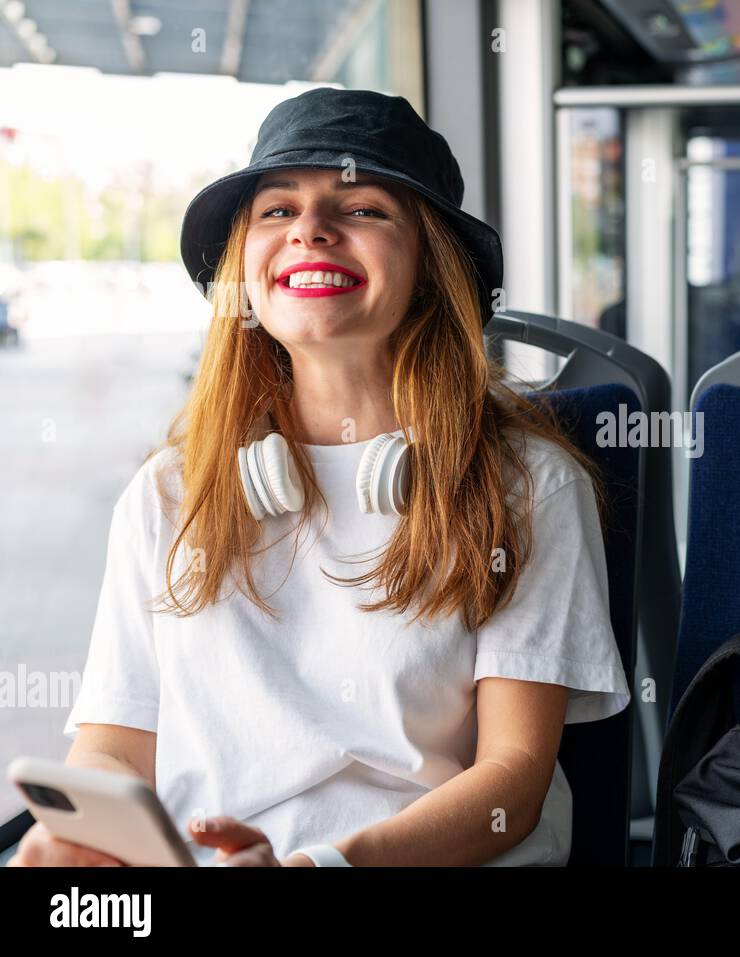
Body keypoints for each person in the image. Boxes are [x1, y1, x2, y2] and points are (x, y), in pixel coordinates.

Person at [7, 88, 629, 867]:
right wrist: (81, 834)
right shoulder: (169, 494)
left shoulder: (529, 488)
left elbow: (513, 783)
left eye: (362, 207)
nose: (309, 229)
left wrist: (324, 865)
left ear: (432, 270)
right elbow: (117, 754)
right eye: (277, 211)